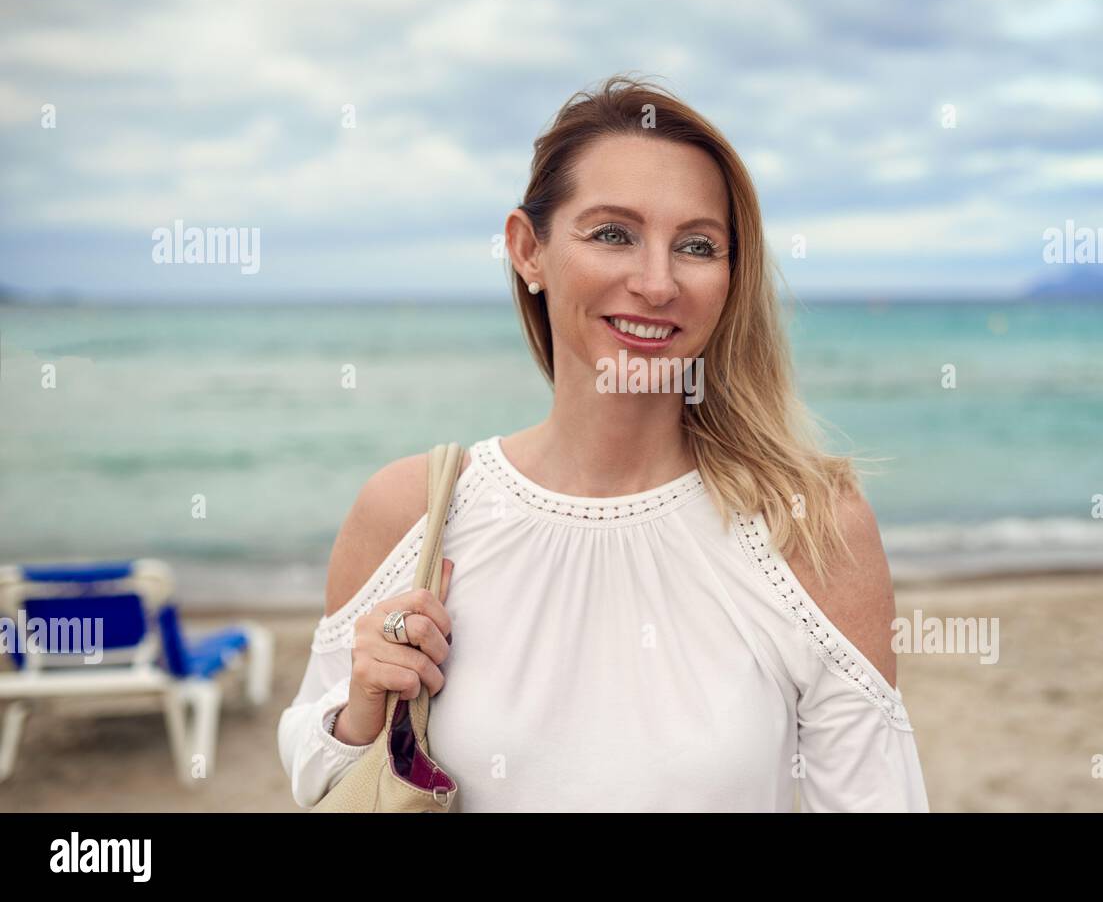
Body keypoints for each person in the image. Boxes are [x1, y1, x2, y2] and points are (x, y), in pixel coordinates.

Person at [277, 75, 929, 811]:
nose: (656, 283)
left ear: (730, 275)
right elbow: (321, 782)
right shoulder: (412, 509)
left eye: (696, 244)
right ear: (528, 250)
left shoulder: (811, 529)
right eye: (613, 233)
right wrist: (363, 707)